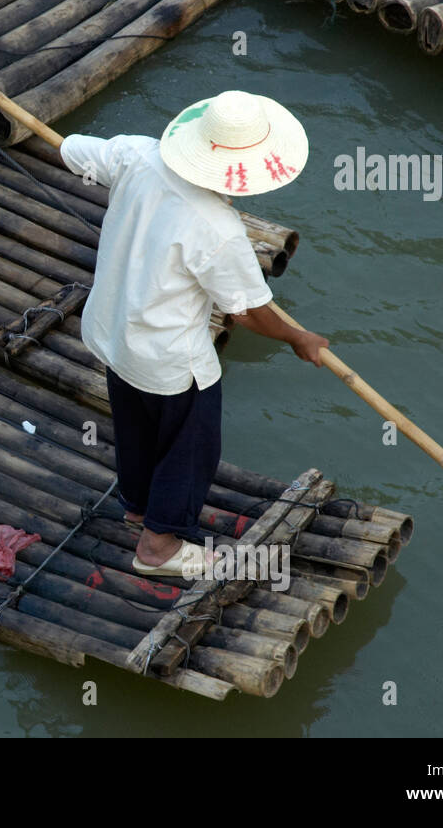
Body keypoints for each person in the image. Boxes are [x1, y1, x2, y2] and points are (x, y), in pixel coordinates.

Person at [60, 90, 329, 579]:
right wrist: (297, 337)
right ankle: (158, 546)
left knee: (137, 427)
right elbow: (248, 310)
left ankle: (140, 508)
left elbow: (72, 149)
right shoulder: (218, 228)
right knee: (191, 446)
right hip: (169, 357)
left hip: (114, 334)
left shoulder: (136, 154)